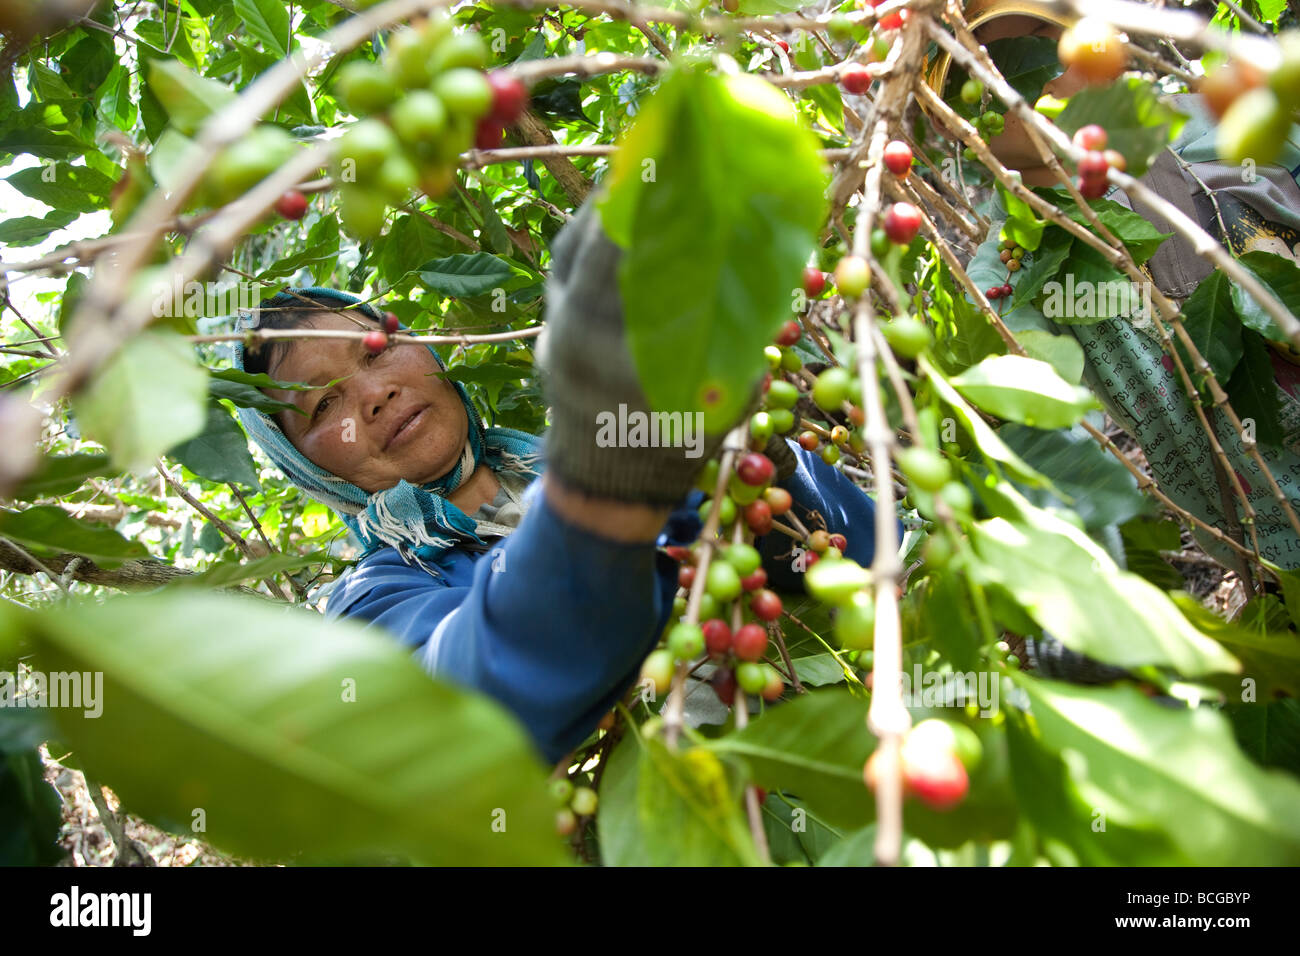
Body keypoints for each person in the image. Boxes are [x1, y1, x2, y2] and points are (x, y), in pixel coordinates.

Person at [231, 195, 888, 764]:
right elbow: (473, 705)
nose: (372, 397)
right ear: (310, 468)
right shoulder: (372, 603)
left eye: (373, 349)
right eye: (323, 405)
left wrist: (762, 460)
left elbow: (857, 551)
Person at [926, 0, 1300, 577]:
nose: (1020, 79)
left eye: (1039, 42)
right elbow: (1033, 407)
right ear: (959, 123)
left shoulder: (1212, 121)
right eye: (980, 73)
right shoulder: (1008, 270)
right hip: (1279, 552)